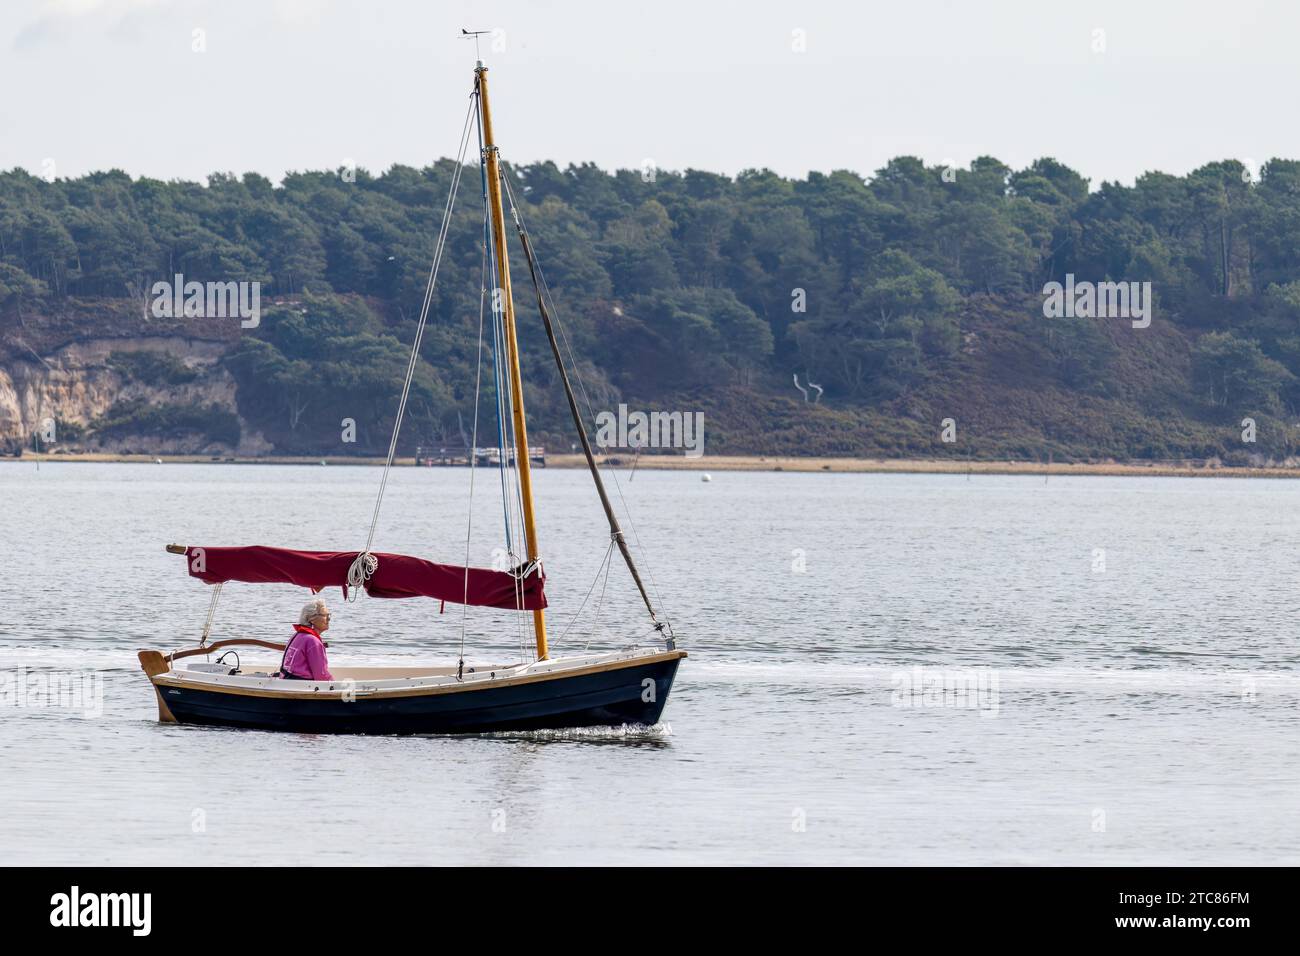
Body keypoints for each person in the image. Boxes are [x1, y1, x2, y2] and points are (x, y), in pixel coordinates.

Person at [277, 598, 334, 681]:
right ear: (312, 619)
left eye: (329, 615)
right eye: (325, 615)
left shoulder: (296, 635)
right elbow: (321, 676)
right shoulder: (313, 641)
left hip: (287, 681)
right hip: (301, 687)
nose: (329, 619)